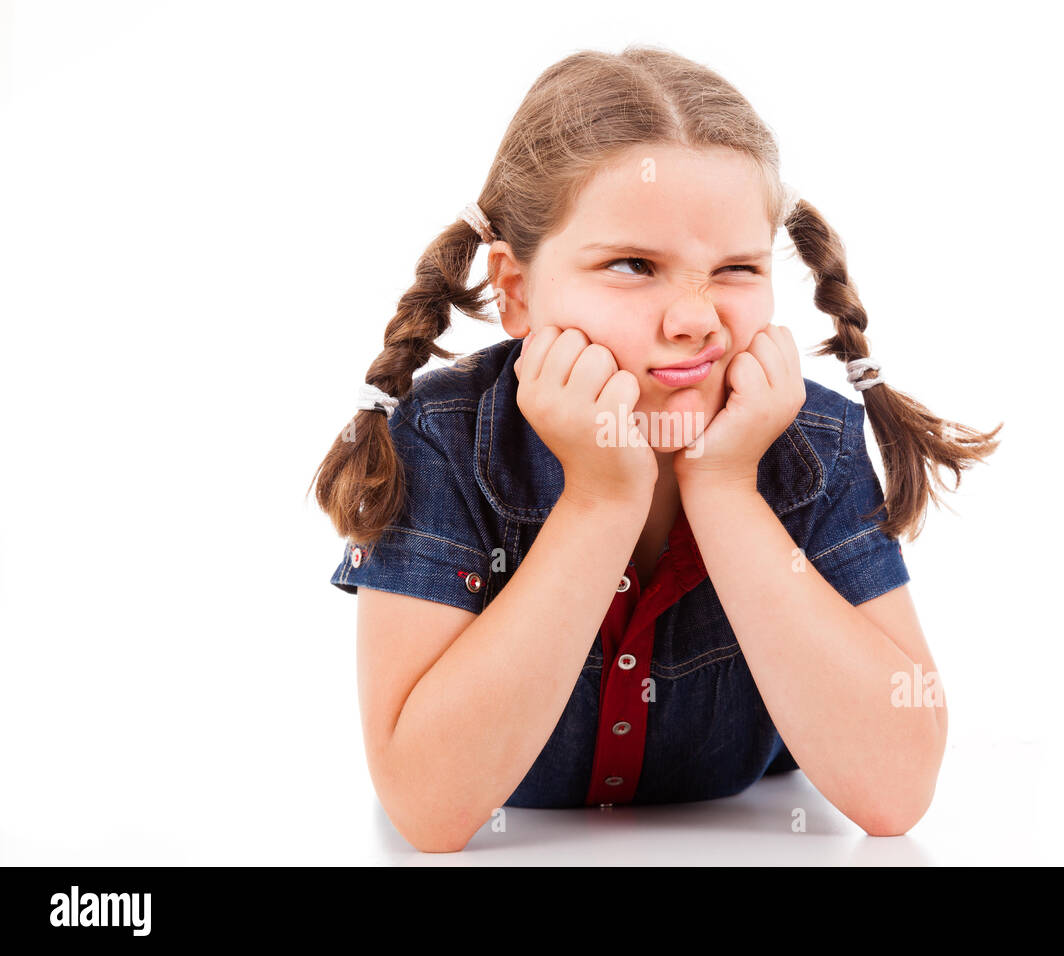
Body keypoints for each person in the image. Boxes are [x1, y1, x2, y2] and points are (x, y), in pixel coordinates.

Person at [311, 45, 1001, 853]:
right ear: (516, 290)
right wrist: (601, 500)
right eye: (635, 266)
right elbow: (427, 809)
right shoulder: (438, 441)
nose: (696, 319)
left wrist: (727, 490)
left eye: (736, 268)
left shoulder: (816, 446)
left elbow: (896, 792)